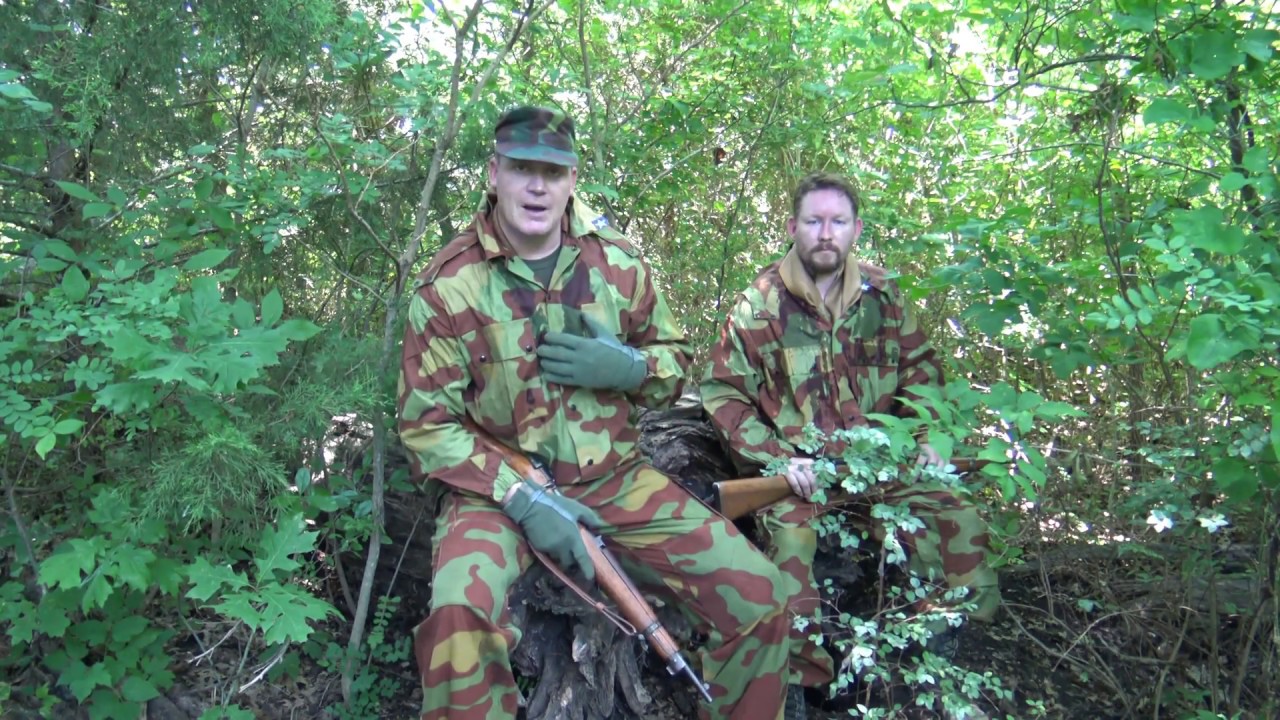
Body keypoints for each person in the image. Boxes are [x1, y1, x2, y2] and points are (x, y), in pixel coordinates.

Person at [398, 105, 793, 720]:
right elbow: (427, 427)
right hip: (497, 494)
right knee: (458, 615)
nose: (537, 186)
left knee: (761, 597)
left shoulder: (618, 264)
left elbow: (673, 364)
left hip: (617, 480)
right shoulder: (449, 286)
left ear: (573, 179)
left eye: (552, 173)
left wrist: (632, 369)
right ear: (493, 172)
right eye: (522, 168)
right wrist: (521, 497)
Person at [700, 171, 1001, 705]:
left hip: (879, 469)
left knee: (958, 513)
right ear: (793, 227)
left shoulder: (883, 297)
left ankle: (927, 652)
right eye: (813, 221)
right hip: (802, 478)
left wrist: (929, 433)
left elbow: (923, 374)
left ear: (856, 229)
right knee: (791, 547)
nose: (825, 233)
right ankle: (811, 682)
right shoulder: (759, 305)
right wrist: (776, 460)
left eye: (837, 222)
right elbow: (723, 394)